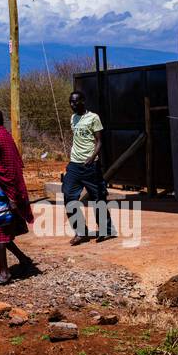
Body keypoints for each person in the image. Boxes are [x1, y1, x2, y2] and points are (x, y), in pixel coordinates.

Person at [0, 107, 38, 285]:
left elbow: (11, 168)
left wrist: (12, 195)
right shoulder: (2, 135)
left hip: (3, 193)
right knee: (2, 232)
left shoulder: (0, 138)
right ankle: (23, 259)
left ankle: (4, 273)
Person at [64, 91, 114, 244]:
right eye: (71, 102)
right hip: (74, 165)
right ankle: (81, 232)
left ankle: (106, 230)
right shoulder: (73, 118)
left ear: (83, 101)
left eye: (75, 102)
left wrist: (91, 157)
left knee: (98, 198)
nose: (73, 105)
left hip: (90, 165)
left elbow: (99, 141)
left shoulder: (93, 118)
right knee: (68, 196)